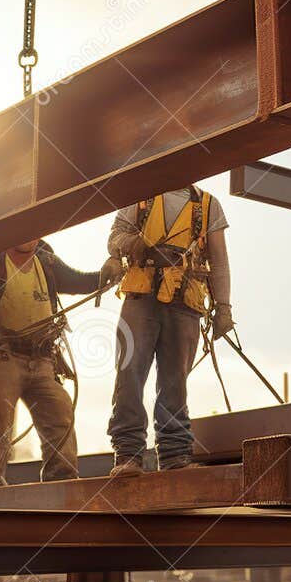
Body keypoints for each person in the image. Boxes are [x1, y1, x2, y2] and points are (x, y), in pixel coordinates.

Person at [0, 239, 107, 486]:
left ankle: (62, 481)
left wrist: (105, 276)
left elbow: (76, 281)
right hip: (1, 358)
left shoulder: (46, 260)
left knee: (59, 414)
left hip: (42, 359)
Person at [105, 186, 232, 477]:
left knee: (174, 382)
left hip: (185, 300)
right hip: (141, 296)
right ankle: (128, 455)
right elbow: (113, 239)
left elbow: (219, 262)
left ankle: (175, 457)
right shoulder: (140, 195)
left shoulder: (208, 205)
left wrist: (223, 307)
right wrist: (131, 243)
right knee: (129, 375)